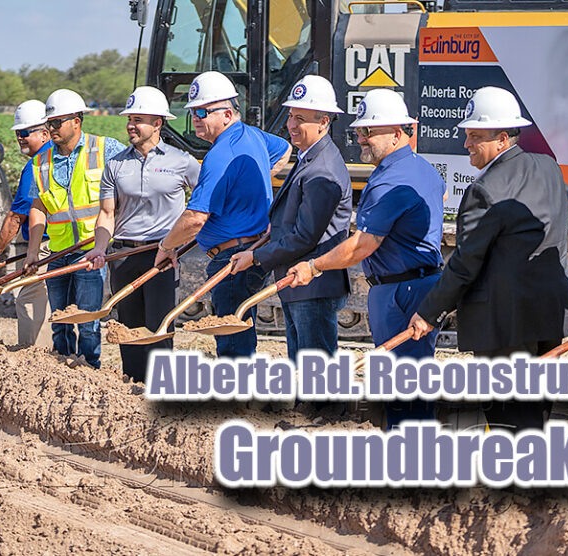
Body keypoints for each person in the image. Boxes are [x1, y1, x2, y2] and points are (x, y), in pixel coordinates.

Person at [407, 86, 568, 431]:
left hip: (504, 323)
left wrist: (428, 312)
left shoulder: (483, 190)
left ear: (502, 139)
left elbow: (465, 263)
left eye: (475, 136)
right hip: (549, 311)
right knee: (536, 412)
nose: (466, 144)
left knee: (508, 418)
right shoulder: (547, 166)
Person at [288, 89, 445, 427]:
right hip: (418, 284)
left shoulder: (389, 180)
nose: (360, 138)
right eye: (360, 131)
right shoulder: (424, 169)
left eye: (369, 131)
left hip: (399, 292)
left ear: (397, 133)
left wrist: (314, 266)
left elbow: (362, 245)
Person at [153, 71, 291, 358]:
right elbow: (284, 148)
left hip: (232, 259)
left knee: (232, 343)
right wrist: (256, 182)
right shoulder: (252, 135)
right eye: (193, 112)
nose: (196, 118)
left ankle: (236, 386)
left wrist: (166, 247)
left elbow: (195, 218)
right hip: (250, 249)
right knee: (240, 333)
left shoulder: (220, 154)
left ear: (227, 114)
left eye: (203, 112)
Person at [229, 75, 351, 361]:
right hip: (300, 284)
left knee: (314, 371)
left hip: (312, 286)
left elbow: (305, 236)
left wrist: (256, 257)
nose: (291, 125)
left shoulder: (322, 170)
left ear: (323, 122)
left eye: (301, 119)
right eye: (291, 116)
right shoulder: (310, 157)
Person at [84, 86, 200, 381]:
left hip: (162, 256)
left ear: (157, 123)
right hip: (123, 256)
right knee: (129, 329)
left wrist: (184, 239)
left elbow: (204, 202)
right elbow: (107, 213)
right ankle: (131, 389)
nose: (130, 126)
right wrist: (100, 248)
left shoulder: (182, 161)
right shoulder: (116, 164)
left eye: (138, 120)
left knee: (159, 328)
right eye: (129, 119)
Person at [24, 89, 125, 368]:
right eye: (49, 123)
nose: (51, 129)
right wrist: (33, 252)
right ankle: (62, 369)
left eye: (57, 123)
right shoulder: (40, 162)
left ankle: (89, 370)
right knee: (60, 321)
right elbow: (38, 208)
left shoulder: (105, 149)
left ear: (76, 122)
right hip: (58, 252)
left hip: (91, 252)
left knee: (88, 322)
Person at [0, 100, 52, 346]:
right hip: (61, 242)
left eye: (25, 132)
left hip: (45, 246)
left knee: (29, 301)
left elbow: (16, 218)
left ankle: (33, 357)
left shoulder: (38, 166)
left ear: (44, 133)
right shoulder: (63, 157)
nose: (20, 138)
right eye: (18, 133)